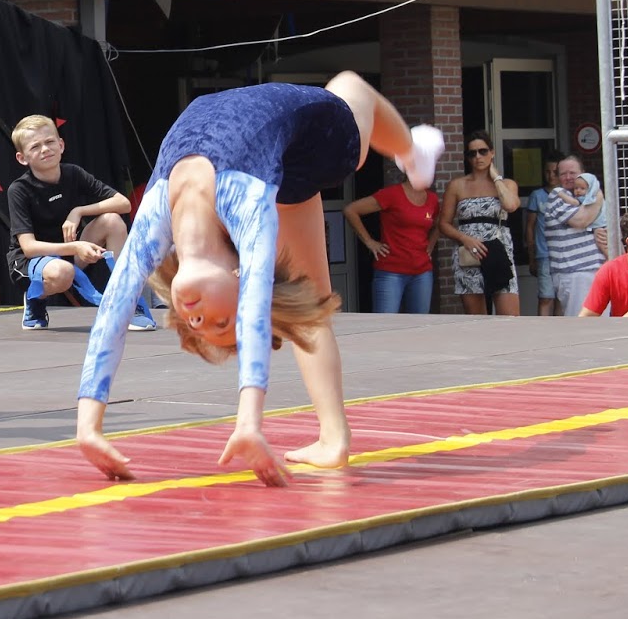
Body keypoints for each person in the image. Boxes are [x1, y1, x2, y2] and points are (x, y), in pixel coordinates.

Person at [75, 73, 443, 485]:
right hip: (318, 142)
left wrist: (88, 427)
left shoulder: (157, 215)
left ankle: (334, 438)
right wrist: (249, 423)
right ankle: (413, 153)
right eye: (220, 321)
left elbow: (113, 310)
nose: (198, 317)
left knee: (310, 303)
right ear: (243, 277)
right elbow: (253, 311)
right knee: (350, 87)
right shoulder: (246, 205)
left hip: (284, 154)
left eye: (198, 325)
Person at [6, 114, 135, 330]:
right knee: (62, 273)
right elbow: (28, 247)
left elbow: (123, 203)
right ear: (22, 158)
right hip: (32, 262)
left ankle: (124, 300)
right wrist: (75, 246)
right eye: (35, 146)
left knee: (112, 220)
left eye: (49, 142)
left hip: (70, 252)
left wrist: (79, 211)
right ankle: (35, 297)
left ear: (61, 144)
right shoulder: (19, 190)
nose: (45, 149)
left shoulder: (73, 174)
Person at [437, 131, 521, 316]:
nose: (477, 157)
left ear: (492, 153)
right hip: (470, 253)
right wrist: (464, 239)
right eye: (472, 153)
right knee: (477, 319)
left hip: (499, 251)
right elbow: (444, 224)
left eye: (483, 151)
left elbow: (511, 205)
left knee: (510, 318)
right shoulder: (458, 185)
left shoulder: (507, 183)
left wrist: (496, 177)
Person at [343, 176, 439, 314]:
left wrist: (430, 245)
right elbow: (351, 210)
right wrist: (369, 241)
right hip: (391, 272)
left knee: (420, 327)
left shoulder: (432, 199)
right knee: (385, 325)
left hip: (422, 273)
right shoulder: (391, 194)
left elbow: (439, 224)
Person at [543, 156, 607, 318]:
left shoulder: (586, 197)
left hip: (601, 269)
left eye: (573, 173)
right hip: (575, 273)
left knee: (606, 327)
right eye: (563, 174)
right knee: (581, 327)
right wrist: (598, 198)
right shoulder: (557, 196)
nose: (568, 177)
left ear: (583, 174)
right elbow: (580, 220)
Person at [524, 153, 561, 316]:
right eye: (547, 171)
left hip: (563, 254)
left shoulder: (568, 194)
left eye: (555, 171)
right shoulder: (537, 195)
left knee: (561, 298)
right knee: (546, 297)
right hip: (544, 253)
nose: (551, 175)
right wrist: (531, 256)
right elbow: (530, 227)